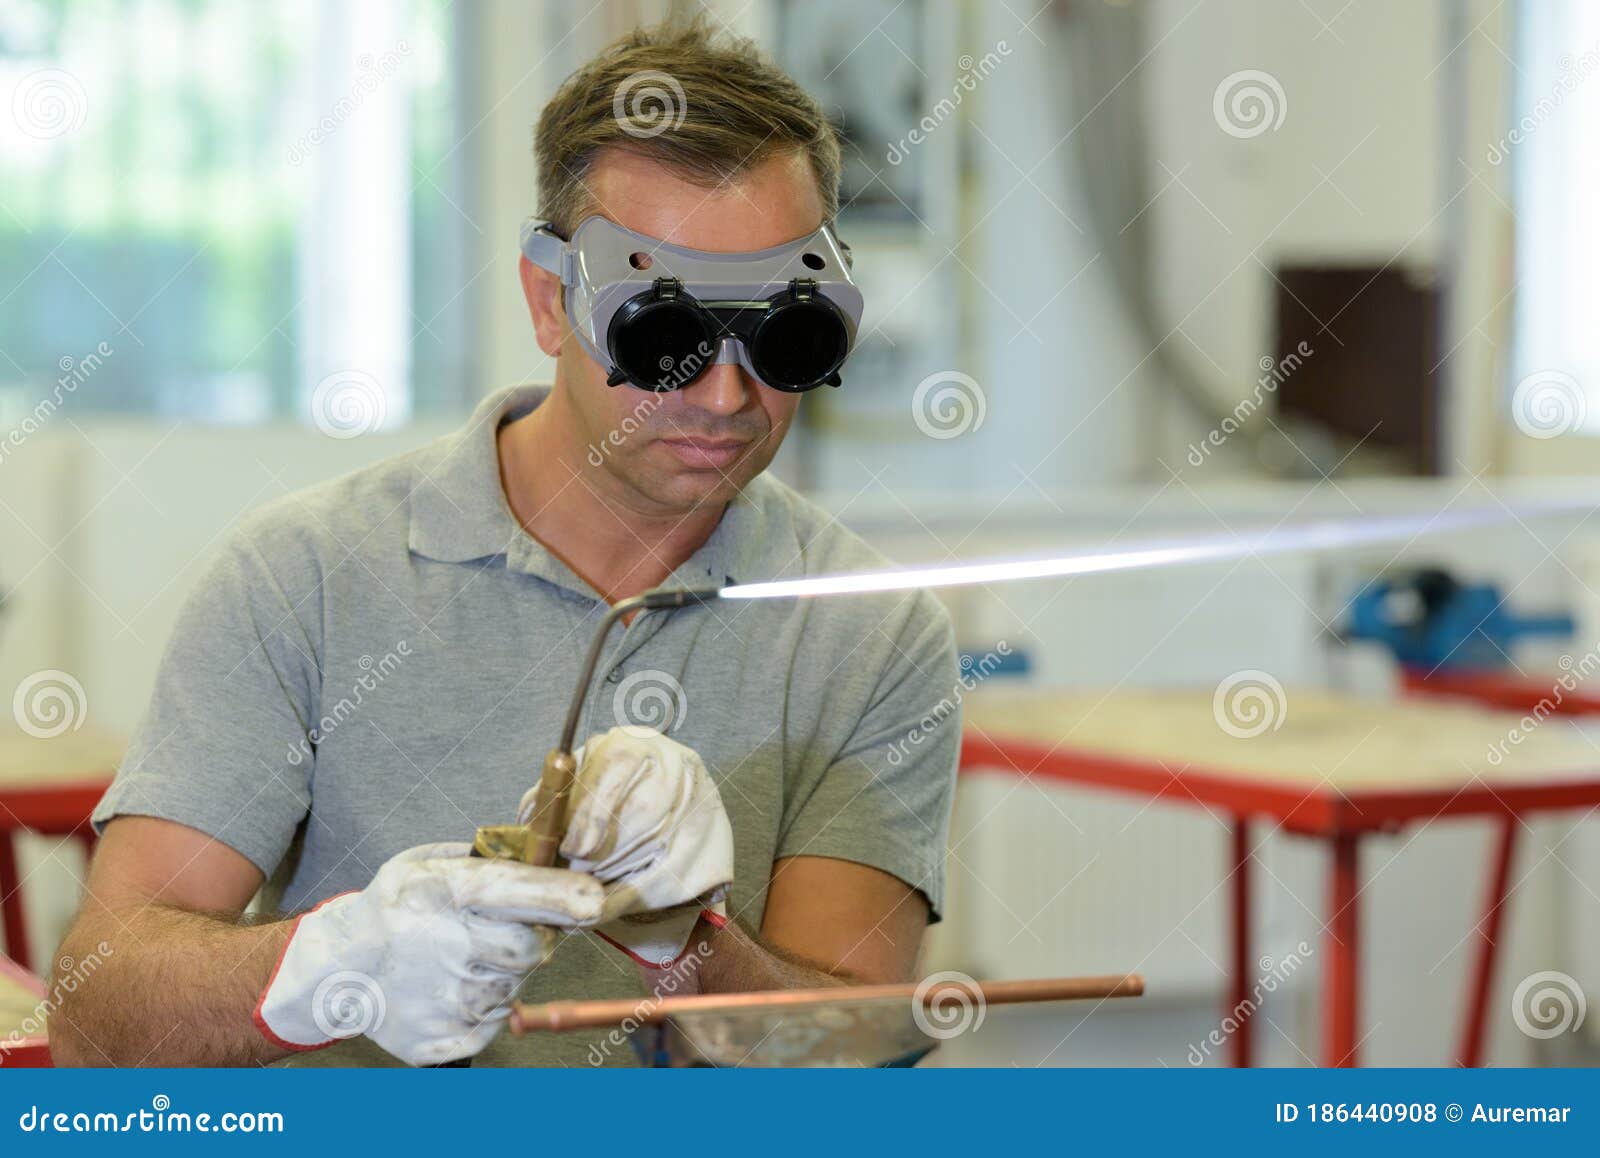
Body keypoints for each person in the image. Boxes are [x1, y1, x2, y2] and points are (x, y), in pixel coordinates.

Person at [51, 18, 959, 1067]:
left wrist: (687, 944)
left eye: (782, 336)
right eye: (663, 340)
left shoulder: (869, 632)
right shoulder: (304, 578)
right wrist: (331, 964)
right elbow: (96, 1017)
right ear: (548, 300)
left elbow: (856, 1060)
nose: (724, 396)